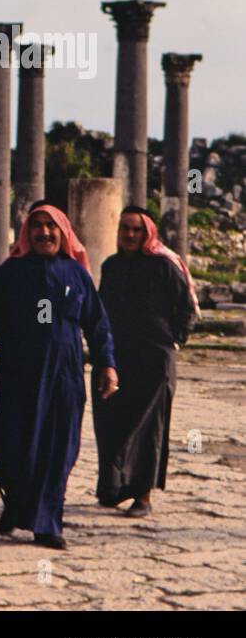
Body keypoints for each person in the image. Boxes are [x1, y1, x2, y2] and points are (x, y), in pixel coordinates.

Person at [0, 201, 117, 549]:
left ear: (63, 233)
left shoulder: (76, 273)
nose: (44, 233)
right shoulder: (11, 272)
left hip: (64, 375)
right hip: (19, 374)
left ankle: (47, 524)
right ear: (27, 232)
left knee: (57, 447)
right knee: (11, 446)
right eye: (37, 226)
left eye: (51, 227)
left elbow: (97, 323)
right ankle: (17, 502)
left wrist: (107, 363)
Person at [94, 206, 198, 517]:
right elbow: (101, 310)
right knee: (112, 420)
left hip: (154, 359)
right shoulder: (111, 266)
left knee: (148, 427)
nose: (129, 235)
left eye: (136, 230)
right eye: (124, 228)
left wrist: (174, 340)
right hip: (117, 356)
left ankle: (143, 495)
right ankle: (115, 487)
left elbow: (187, 308)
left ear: (147, 233)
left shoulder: (164, 265)